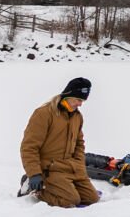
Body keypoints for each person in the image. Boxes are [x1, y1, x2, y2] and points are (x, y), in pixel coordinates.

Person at [20, 77, 98, 208]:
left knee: (92, 199)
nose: (80, 104)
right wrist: (34, 173)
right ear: (68, 95)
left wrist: (78, 164)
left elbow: (79, 143)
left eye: (83, 100)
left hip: (70, 167)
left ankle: (64, 187)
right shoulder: (44, 114)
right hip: (49, 169)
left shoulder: (77, 116)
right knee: (70, 201)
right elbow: (29, 147)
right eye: (78, 99)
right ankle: (34, 188)